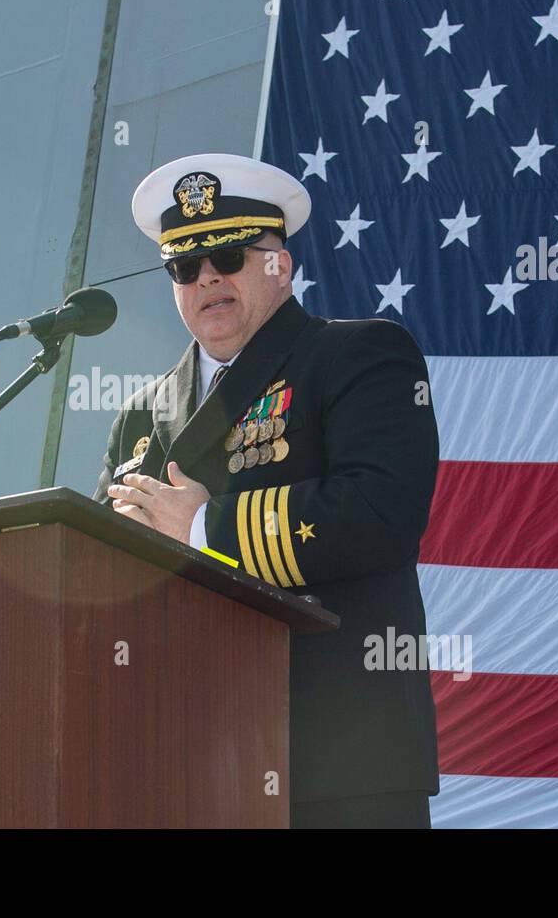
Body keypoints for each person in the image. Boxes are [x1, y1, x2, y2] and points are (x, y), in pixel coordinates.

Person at [92, 153, 441, 828]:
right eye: (184, 266)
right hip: (183, 767)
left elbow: (382, 513)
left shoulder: (358, 356)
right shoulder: (140, 415)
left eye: (227, 253)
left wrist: (203, 530)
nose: (208, 278)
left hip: (338, 762)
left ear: (279, 262)